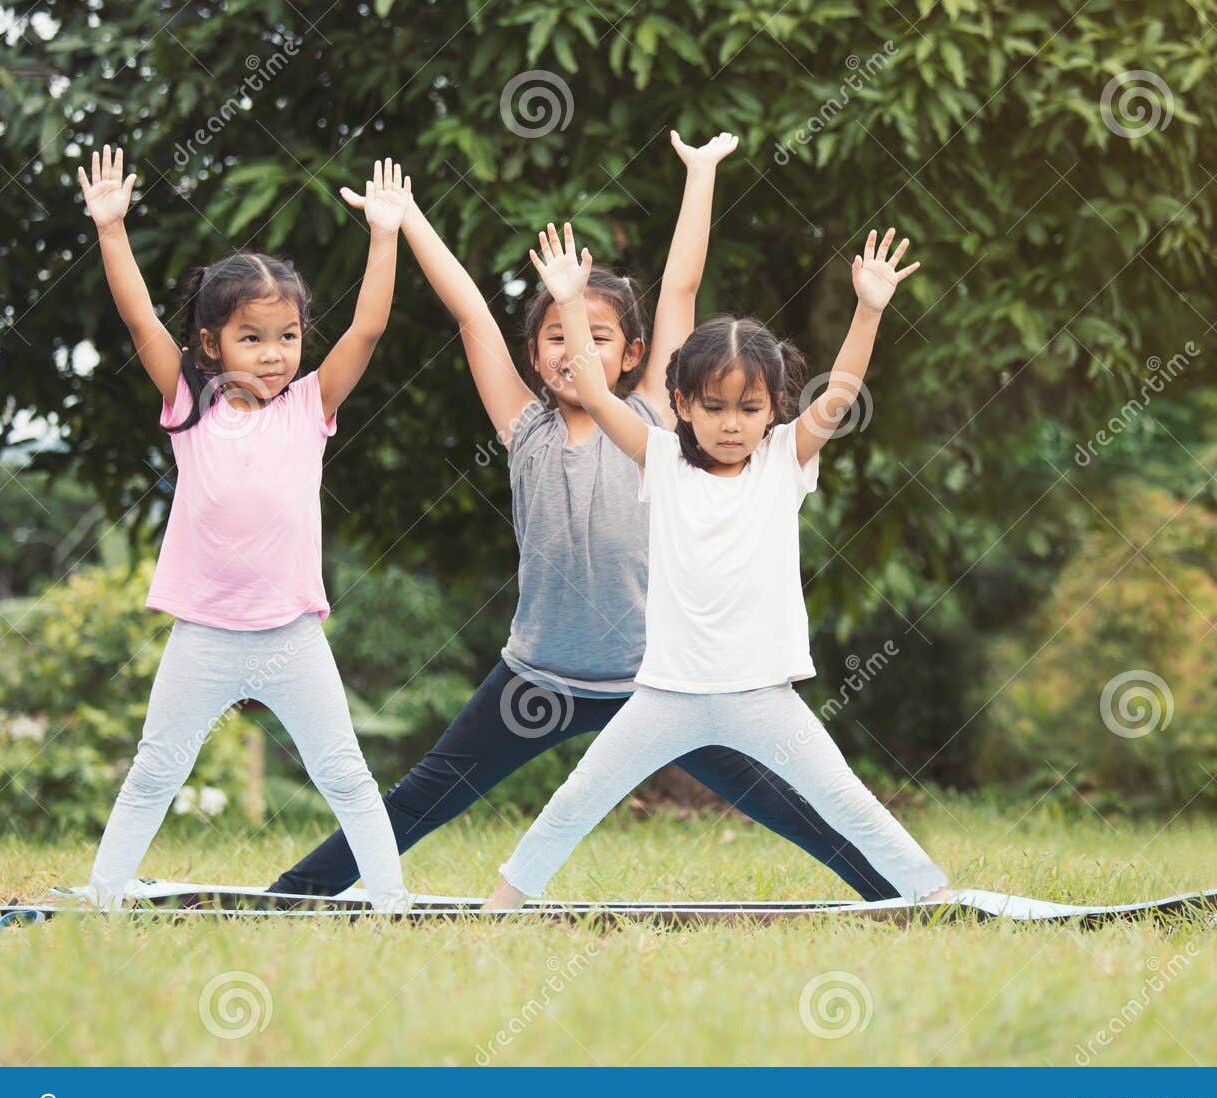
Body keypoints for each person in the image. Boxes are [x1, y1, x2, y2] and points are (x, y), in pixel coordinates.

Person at [266, 132, 900, 903]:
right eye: (557, 339)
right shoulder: (522, 426)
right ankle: (291, 894)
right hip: (537, 676)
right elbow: (470, 310)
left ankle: (896, 890)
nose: (575, 353)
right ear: (534, 356)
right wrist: (405, 222)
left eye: (595, 339)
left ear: (632, 354)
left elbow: (680, 289)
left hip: (660, 684)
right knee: (422, 796)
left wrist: (700, 176)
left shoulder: (657, 422)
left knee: (782, 802)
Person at [485, 222, 954, 910]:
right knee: (577, 798)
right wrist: (568, 298)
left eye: (750, 408)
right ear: (681, 404)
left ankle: (934, 894)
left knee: (850, 802)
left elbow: (842, 393)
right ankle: (503, 901)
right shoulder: (660, 459)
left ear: (772, 410)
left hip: (763, 694)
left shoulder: (783, 458)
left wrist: (870, 309)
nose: (732, 423)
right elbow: (596, 386)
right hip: (666, 695)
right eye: (714, 407)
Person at [77, 144, 411, 914]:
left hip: (291, 633)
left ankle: (394, 903)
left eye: (287, 336)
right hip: (205, 633)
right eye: (252, 338)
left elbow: (366, 330)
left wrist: (384, 235)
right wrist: (111, 229)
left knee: (346, 773)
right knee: (155, 768)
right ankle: (99, 898)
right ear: (211, 343)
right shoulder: (190, 402)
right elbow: (135, 314)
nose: (273, 354)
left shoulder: (309, 405)